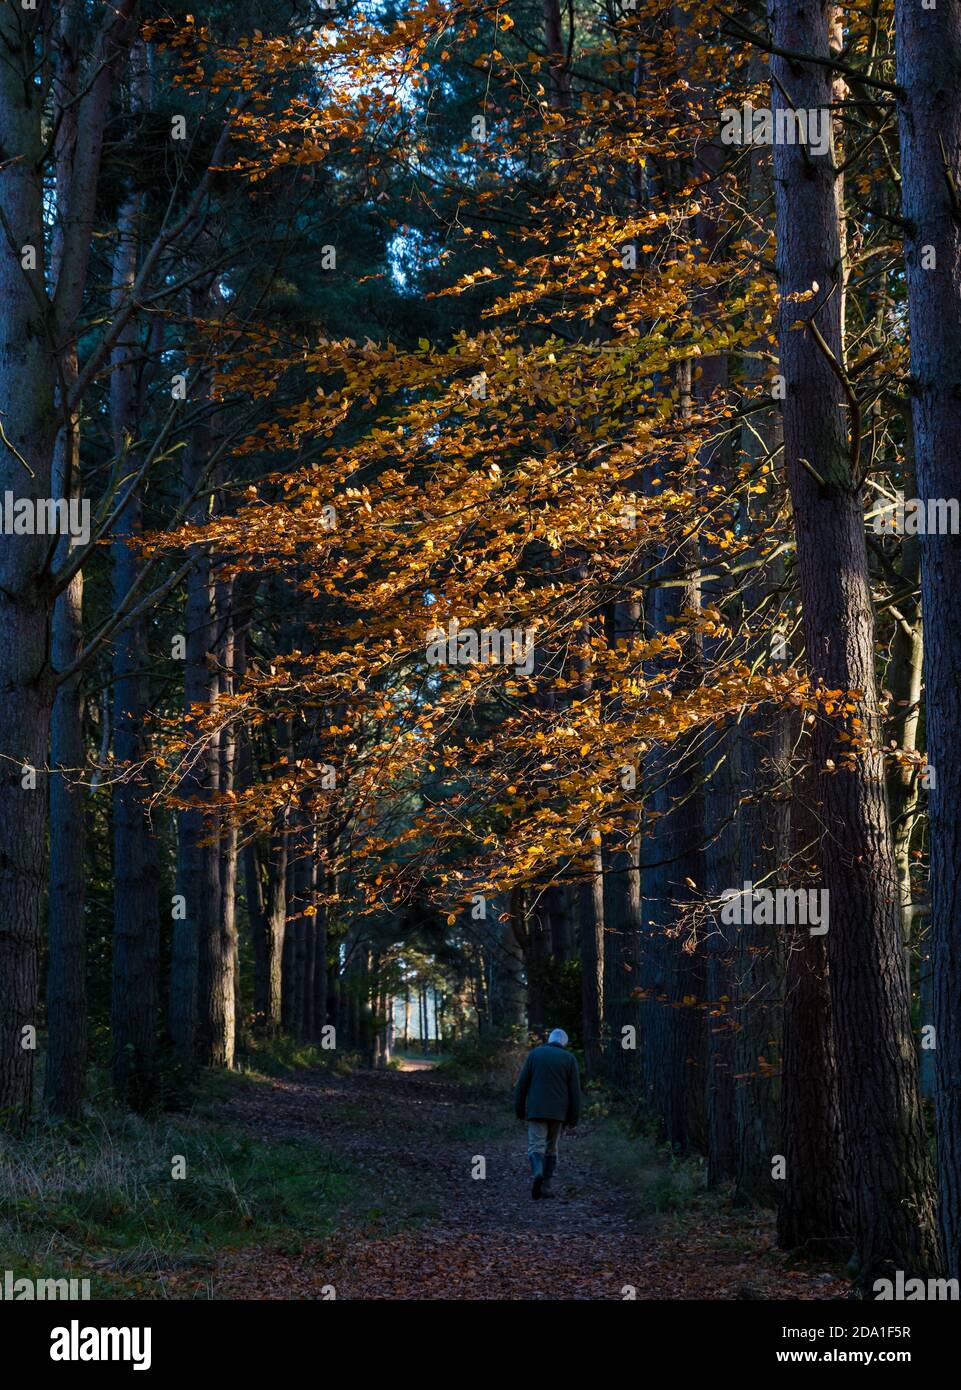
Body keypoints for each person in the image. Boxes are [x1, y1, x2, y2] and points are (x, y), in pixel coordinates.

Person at [513, 1028, 581, 1199]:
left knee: (536, 1145)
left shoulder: (535, 1054)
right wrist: (573, 1119)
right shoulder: (569, 1059)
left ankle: (537, 1172)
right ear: (564, 1043)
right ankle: (547, 1186)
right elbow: (575, 1092)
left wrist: (519, 1110)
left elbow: (522, 1084)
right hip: (558, 1113)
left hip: (536, 1110)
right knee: (551, 1147)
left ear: (549, 1039)